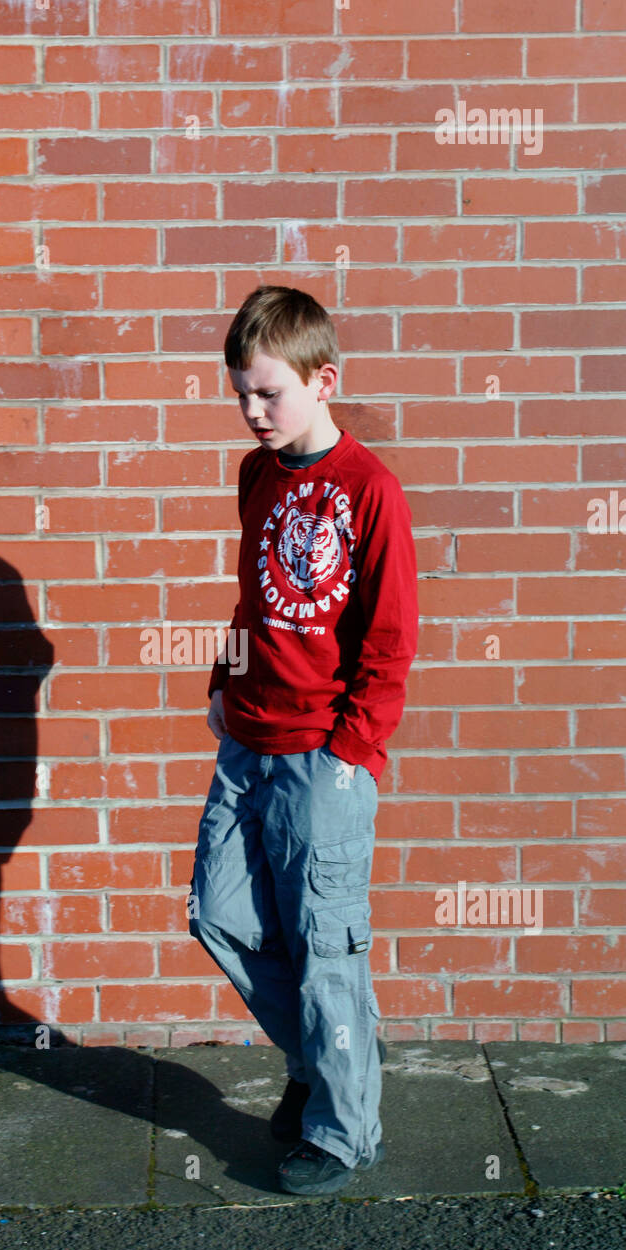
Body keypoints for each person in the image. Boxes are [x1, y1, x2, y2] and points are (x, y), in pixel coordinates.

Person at [187, 285, 419, 1195]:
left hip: (323, 754)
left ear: (324, 382)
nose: (250, 412)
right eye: (239, 393)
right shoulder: (258, 475)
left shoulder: (371, 491)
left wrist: (348, 750)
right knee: (221, 914)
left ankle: (342, 1129)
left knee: (325, 949)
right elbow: (251, 597)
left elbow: (390, 638)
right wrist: (222, 679)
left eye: (266, 393)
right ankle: (328, 1058)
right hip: (246, 743)